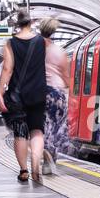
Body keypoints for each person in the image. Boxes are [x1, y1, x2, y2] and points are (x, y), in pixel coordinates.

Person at [0, 9, 47, 185]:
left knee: (20, 133)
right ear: (31, 22)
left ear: (17, 24)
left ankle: (24, 170)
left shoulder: (10, 43)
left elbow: (7, 69)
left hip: (18, 96)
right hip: (38, 93)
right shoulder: (41, 41)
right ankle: (35, 160)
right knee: (37, 131)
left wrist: (0, 93)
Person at [40, 17, 70, 175]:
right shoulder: (60, 52)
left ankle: (45, 158)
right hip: (57, 93)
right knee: (57, 127)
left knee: (43, 127)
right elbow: (66, 78)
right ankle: (51, 157)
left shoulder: (34, 50)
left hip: (40, 92)